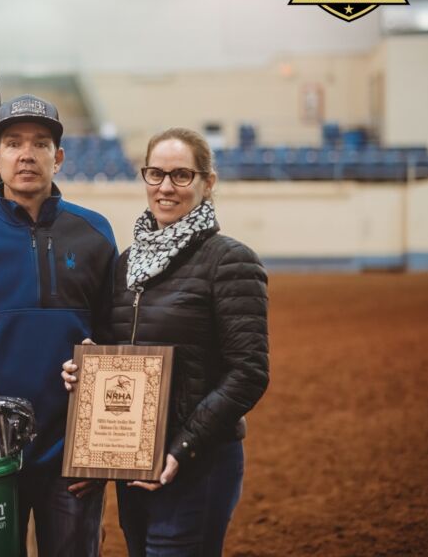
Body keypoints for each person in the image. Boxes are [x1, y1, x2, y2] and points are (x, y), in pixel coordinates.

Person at [62, 127, 269, 557]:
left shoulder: (230, 260)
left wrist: (182, 448)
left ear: (207, 183)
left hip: (198, 462)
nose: (165, 187)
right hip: (135, 462)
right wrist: (84, 373)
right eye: (155, 174)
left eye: (181, 175)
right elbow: (113, 352)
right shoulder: (126, 265)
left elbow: (248, 372)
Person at [0, 95, 117, 556]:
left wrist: (100, 448)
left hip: (72, 453)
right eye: (14, 144)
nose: (27, 155)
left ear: (59, 157)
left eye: (40, 143)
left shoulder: (95, 233)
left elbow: (115, 333)